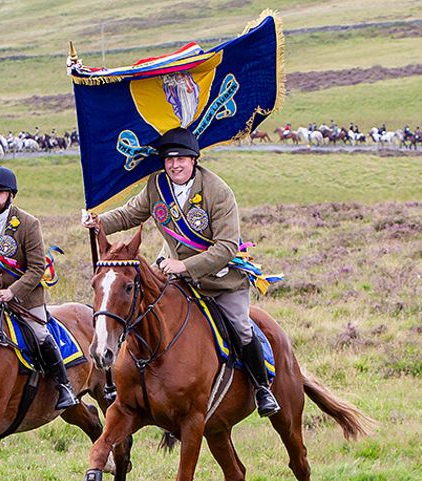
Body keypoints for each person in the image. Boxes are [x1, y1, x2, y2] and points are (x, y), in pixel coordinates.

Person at [82, 127, 280, 417]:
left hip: (219, 279)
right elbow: (129, 214)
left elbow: (226, 247)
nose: (175, 165)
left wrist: (185, 265)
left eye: (182, 159)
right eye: (169, 159)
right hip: (174, 274)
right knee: (145, 312)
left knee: (240, 326)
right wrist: (99, 222)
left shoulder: (218, 192)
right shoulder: (156, 186)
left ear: (194, 160)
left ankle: (261, 388)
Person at [0, 166, 78, 410]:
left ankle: (64, 386)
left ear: (10, 195)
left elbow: (37, 269)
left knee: (40, 335)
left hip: (26, 301)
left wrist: (12, 291)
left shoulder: (28, 223)